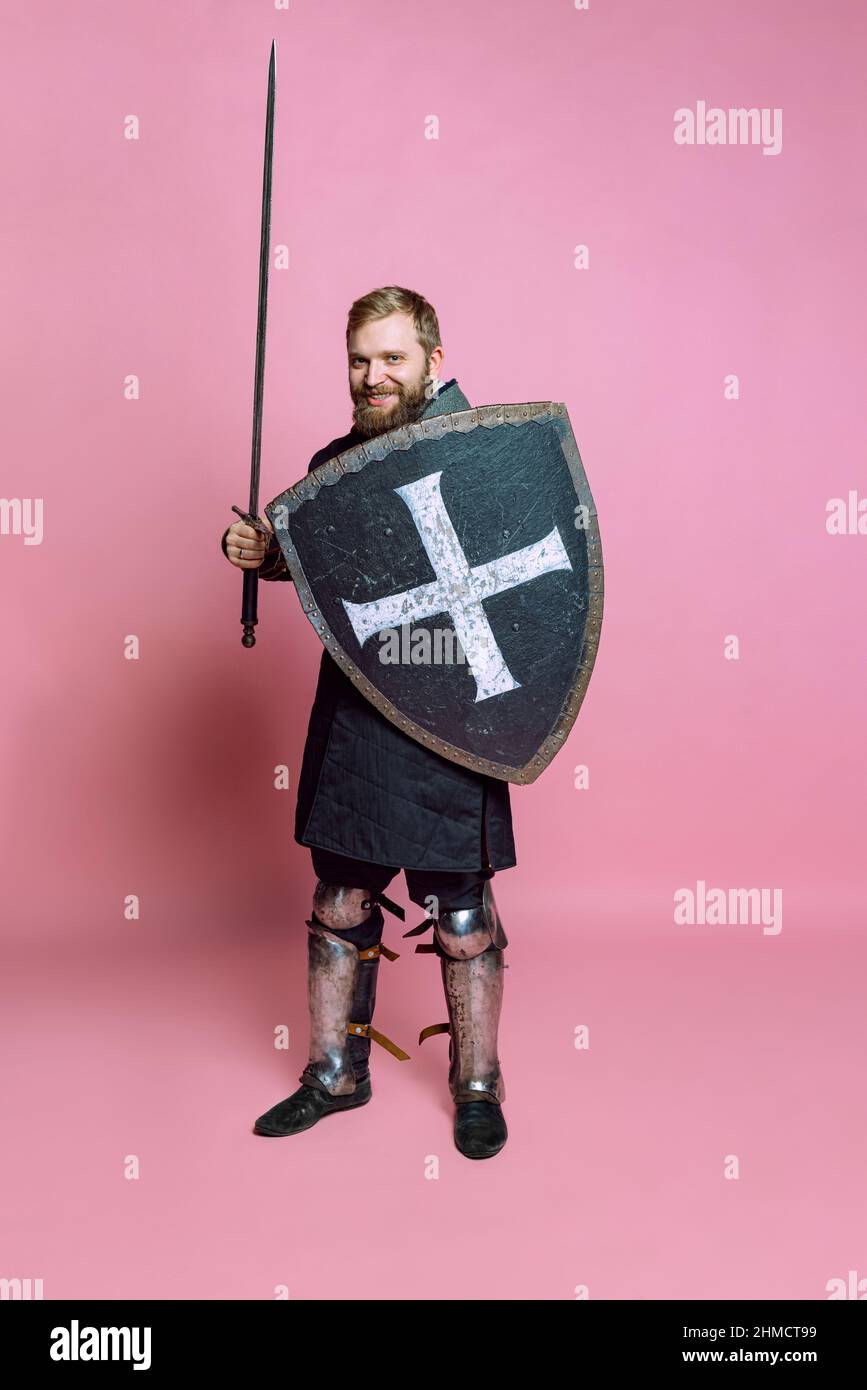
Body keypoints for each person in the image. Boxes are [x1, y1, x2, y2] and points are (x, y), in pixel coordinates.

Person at [221, 287, 514, 1159]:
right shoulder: (335, 465)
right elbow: (317, 562)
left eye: (392, 357)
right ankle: (334, 1075)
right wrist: (264, 554)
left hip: (452, 711)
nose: (373, 374)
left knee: (461, 915)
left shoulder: (482, 458)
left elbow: (522, 581)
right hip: (359, 706)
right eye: (360, 359)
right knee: (341, 901)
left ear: (433, 357)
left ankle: (476, 1084)